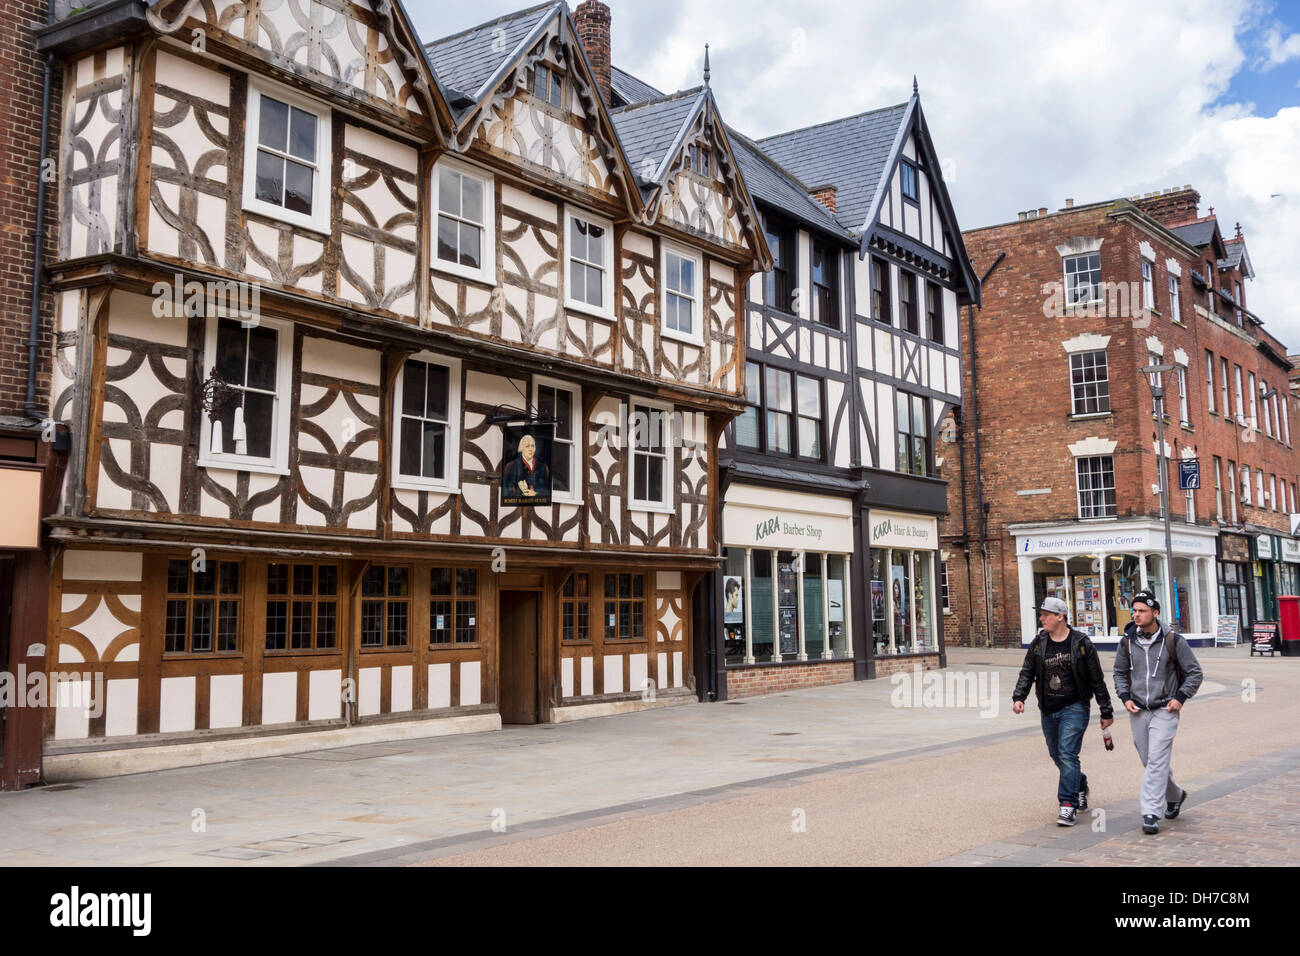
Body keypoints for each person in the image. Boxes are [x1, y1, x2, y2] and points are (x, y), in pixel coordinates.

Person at [1012, 596, 1115, 827]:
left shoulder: (1081, 643)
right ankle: (1079, 784)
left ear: (1060, 616)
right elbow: (1027, 672)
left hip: (1075, 706)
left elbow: (1097, 679)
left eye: (1046, 614)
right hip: (1049, 708)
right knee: (1057, 755)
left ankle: (1067, 805)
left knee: (1068, 754)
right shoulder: (1039, 643)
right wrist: (1019, 697)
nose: (1042, 619)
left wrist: (1106, 711)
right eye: (1041, 614)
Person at [1113, 590, 1203, 834]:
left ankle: (1151, 812)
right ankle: (1175, 795)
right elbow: (1120, 672)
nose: (1136, 615)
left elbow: (1195, 672)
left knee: (1156, 760)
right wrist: (1124, 697)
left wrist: (1180, 697)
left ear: (1155, 613)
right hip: (1138, 711)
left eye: (1142, 610)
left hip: (1165, 709)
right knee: (1149, 761)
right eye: (1135, 610)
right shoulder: (1127, 641)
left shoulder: (1174, 641)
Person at [503, 433, 549, 499]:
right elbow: (507, 492)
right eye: (527, 446)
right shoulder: (512, 466)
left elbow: (545, 490)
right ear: (521, 448)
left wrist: (535, 493)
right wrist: (523, 493)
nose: (530, 449)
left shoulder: (542, 467)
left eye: (532, 446)